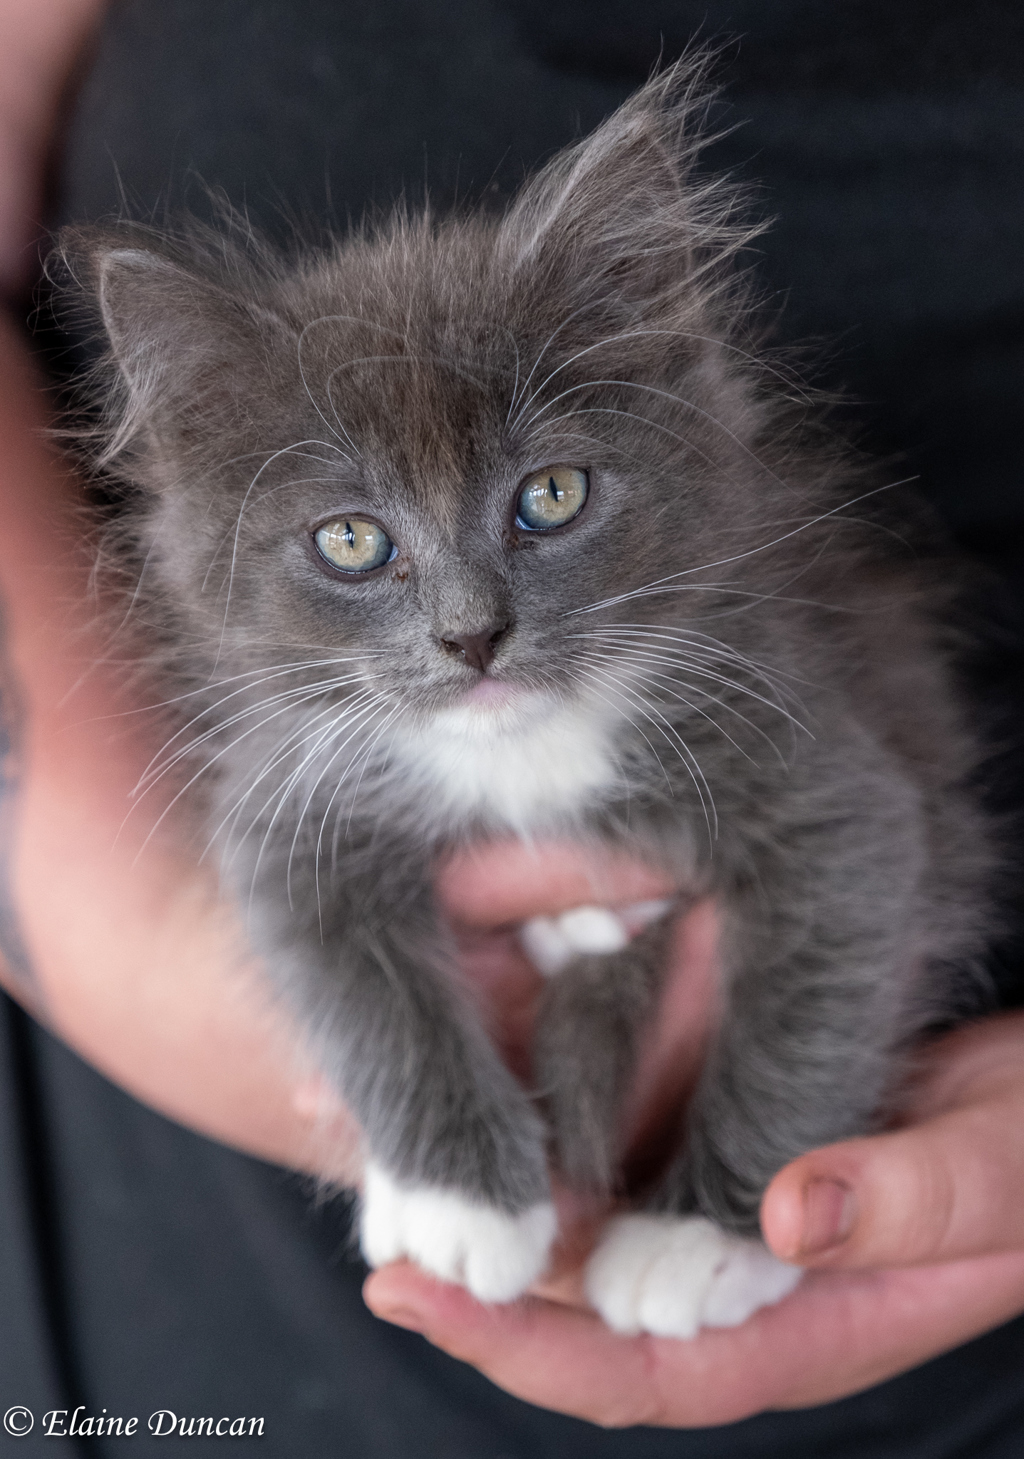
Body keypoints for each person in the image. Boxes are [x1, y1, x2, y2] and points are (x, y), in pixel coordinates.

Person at [3, 0, 1024, 1450]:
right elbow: (298, 882)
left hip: (938, 1261)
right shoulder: (300, 746)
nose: (467, 622)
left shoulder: (716, 651)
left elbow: (850, 845)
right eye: (358, 549)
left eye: (547, 502)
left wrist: (734, 1185)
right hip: (195, 1264)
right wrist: (154, 968)